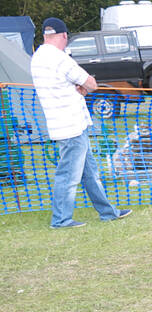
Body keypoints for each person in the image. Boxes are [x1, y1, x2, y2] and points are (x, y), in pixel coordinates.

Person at [30, 17, 130, 229]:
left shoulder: (37, 57)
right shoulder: (60, 58)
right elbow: (91, 83)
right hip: (71, 125)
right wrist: (83, 87)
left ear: (45, 35)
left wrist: (81, 87)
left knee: (90, 173)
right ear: (64, 36)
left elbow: (78, 85)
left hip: (62, 124)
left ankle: (108, 212)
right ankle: (61, 220)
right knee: (68, 176)